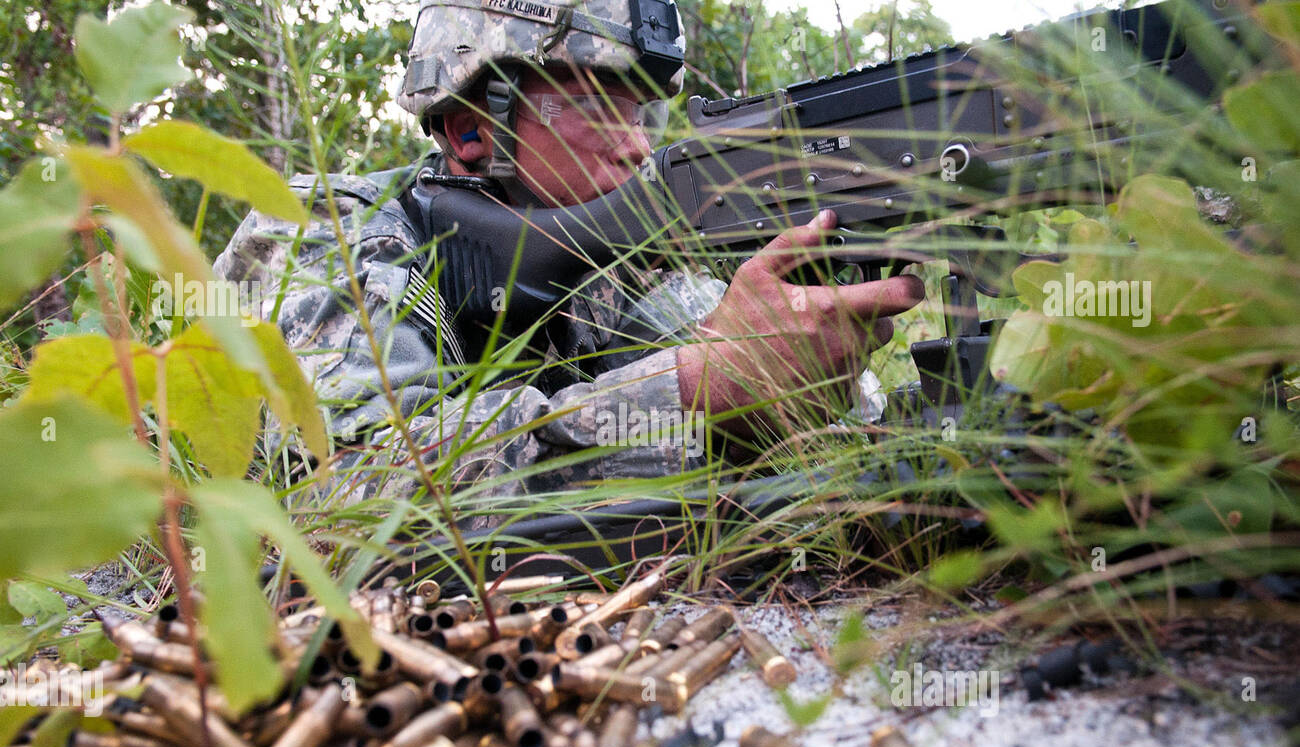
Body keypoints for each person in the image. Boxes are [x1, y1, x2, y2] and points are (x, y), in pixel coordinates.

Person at [214, 0, 924, 515]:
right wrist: (692, 387)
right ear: (470, 129)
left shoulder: (615, 268)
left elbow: (789, 430)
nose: (639, 145)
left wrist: (806, 366)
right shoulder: (318, 233)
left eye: (645, 113)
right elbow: (352, 491)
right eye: (601, 107)